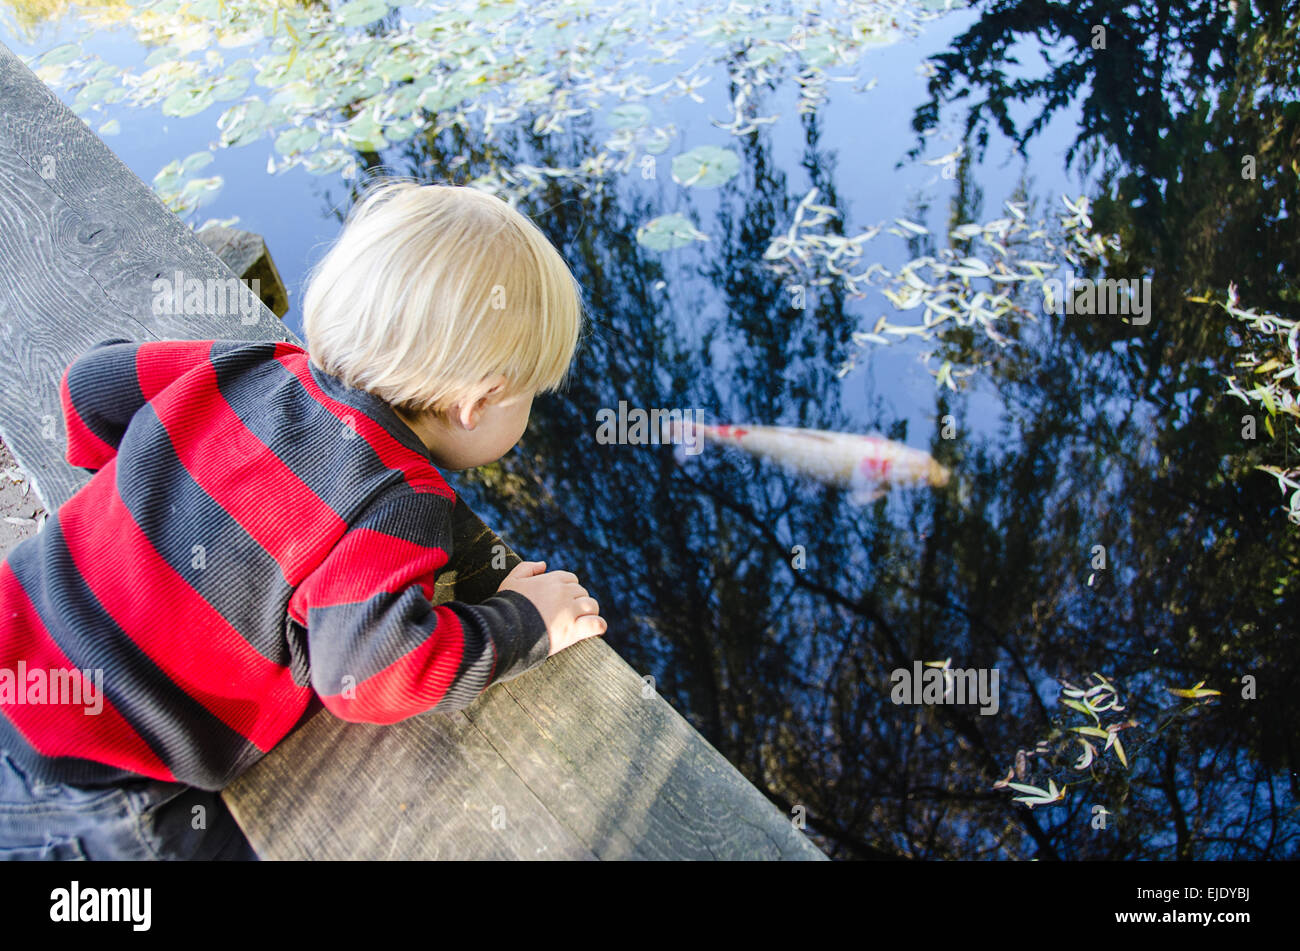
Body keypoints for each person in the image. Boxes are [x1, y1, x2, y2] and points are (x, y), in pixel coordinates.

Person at [0, 180, 606, 859]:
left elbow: (88, 390)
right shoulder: (399, 500)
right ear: (480, 400)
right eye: (529, 397)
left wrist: (154, 502)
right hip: (101, 774)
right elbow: (374, 673)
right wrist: (526, 619)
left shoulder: (253, 365)